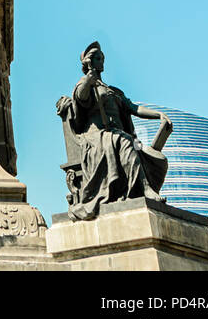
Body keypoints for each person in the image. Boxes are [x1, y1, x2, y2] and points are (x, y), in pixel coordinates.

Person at [57, 41, 172, 222]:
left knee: (155, 157)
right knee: (124, 141)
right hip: (97, 137)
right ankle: (144, 188)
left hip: (117, 135)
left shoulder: (113, 90)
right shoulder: (86, 84)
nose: (102, 61)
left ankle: (141, 188)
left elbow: (134, 108)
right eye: (97, 58)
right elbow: (80, 97)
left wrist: (158, 115)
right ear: (89, 62)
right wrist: (89, 78)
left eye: (102, 58)